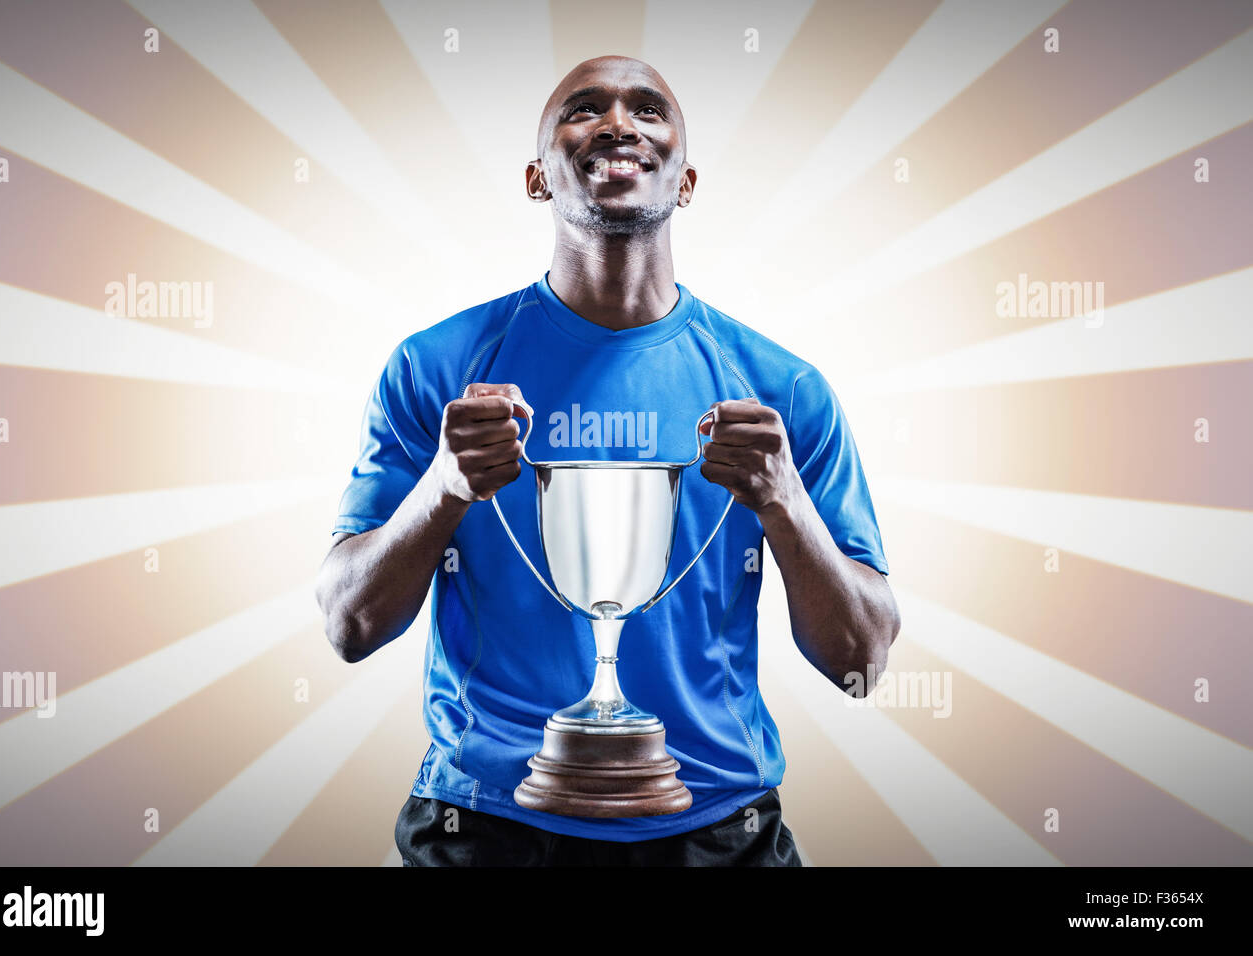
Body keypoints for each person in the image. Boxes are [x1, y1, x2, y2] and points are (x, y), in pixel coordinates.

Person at [315, 55, 901, 867]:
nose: (619, 124)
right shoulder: (436, 368)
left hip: (717, 830)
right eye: (584, 109)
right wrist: (442, 489)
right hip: (485, 830)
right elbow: (348, 625)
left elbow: (861, 661)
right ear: (537, 177)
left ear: (686, 181)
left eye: (648, 110)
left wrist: (784, 501)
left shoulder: (781, 390)